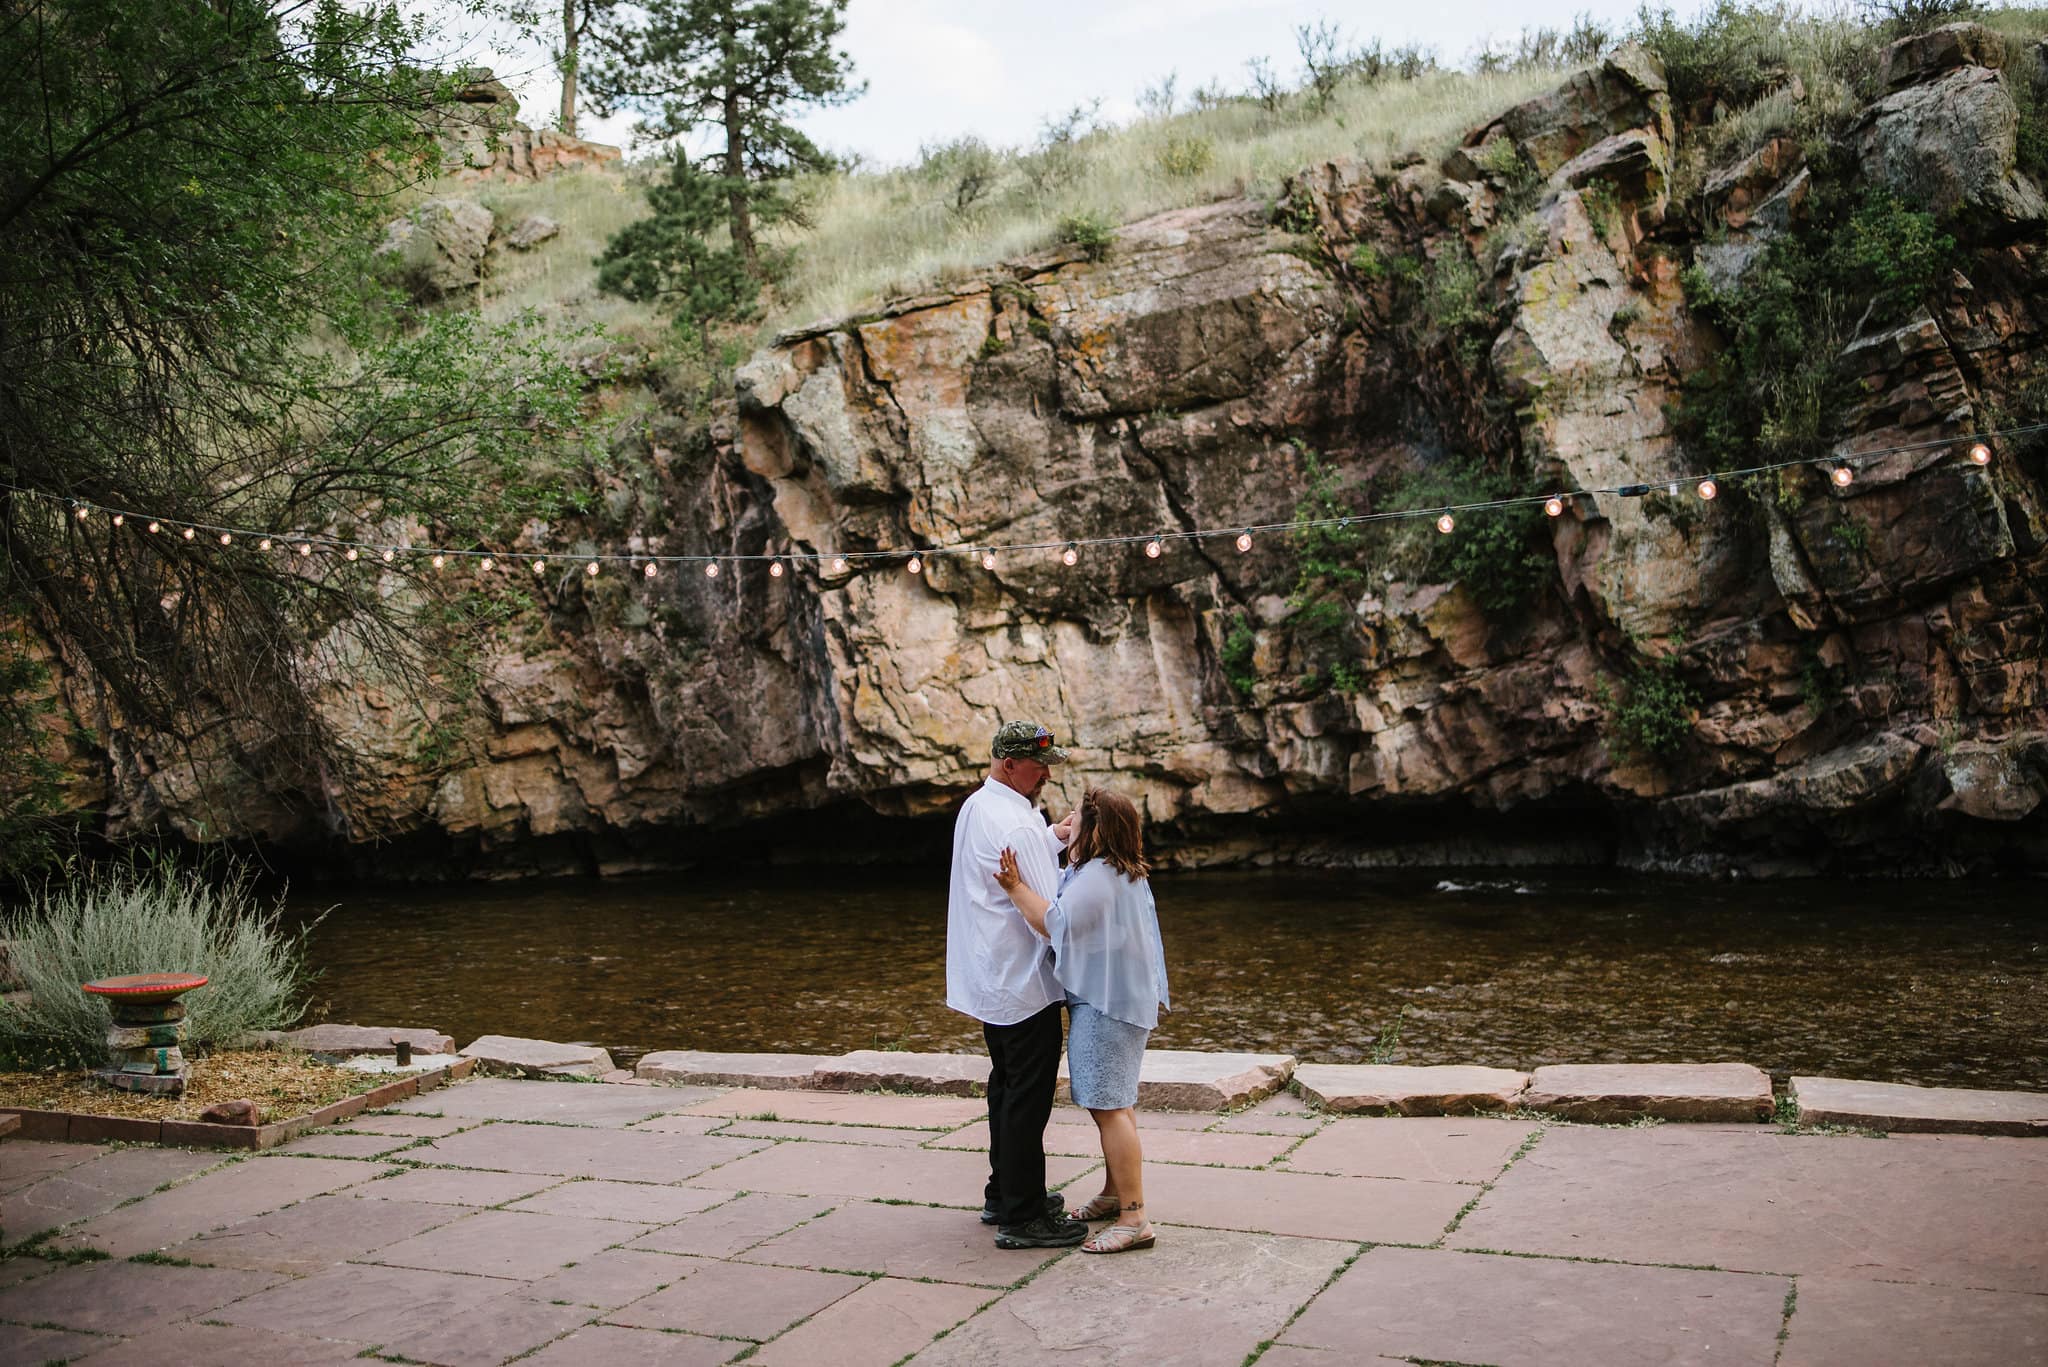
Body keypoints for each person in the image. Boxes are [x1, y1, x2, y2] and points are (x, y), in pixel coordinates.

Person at [996, 787, 1170, 1255]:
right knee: (1117, 1104)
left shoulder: (1100, 875)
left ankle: (1135, 1217)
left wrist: (1014, 887)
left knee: (1109, 1108)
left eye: (1075, 817)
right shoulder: (1117, 870)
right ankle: (1116, 1195)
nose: (1068, 823)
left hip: (1106, 1007)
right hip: (1117, 1003)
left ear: (1093, 827)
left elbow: (1054, 922)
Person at [947, 719, 1086, 1250]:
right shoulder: (1019, 824)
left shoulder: (979, 807)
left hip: (991, 977)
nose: (1047, 775)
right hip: (1025, 981)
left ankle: (1003, 1192)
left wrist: (1053, 835)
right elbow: (1050, 910)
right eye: (1039, 765)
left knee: (1005, 1086)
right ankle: (1024, 1216)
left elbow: (1010, 865)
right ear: (1011, 765)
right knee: (1028, 1098)